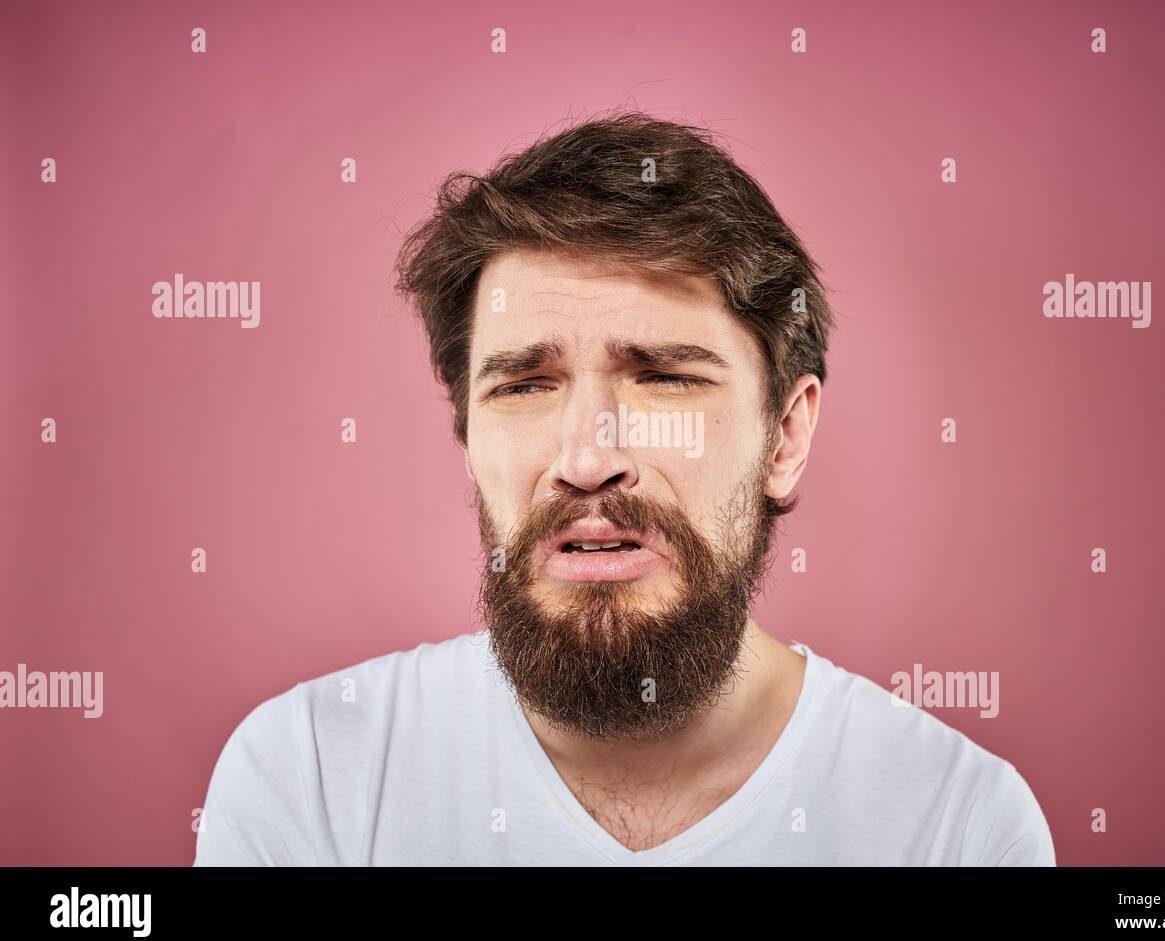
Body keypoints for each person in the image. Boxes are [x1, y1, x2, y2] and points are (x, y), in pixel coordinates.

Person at [193, 111, 1054, 866]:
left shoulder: (958, 826)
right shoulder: (306, 780)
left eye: (665, 376)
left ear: (785, 435)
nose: (587, 458)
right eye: (524, 386)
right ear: (467, 436)